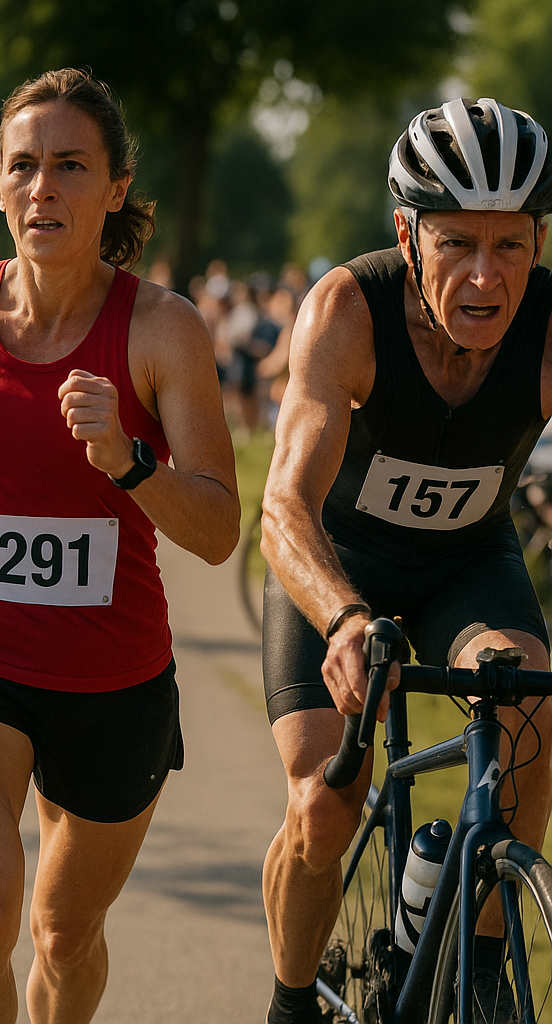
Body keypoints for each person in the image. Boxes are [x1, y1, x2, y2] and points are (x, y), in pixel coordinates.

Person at [0, 68, 239, 1023]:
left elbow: (222, 529)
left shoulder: (162, 329)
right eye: (23, 166)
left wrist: (130, 464)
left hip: (115, 681)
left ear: (114, 186)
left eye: (70, 165)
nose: (43, 188)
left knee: (63, 936)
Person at [259, 97, 552, 1023]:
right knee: (322, 807)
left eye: (511, 245)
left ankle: (481, 961)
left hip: (467, 563)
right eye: (457, 242)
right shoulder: (347, 310)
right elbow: (283, 507)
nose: (483, 275)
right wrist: (344, 619)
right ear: (407, 232)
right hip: (340, 564)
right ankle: (291, 1000)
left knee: (531, 701)